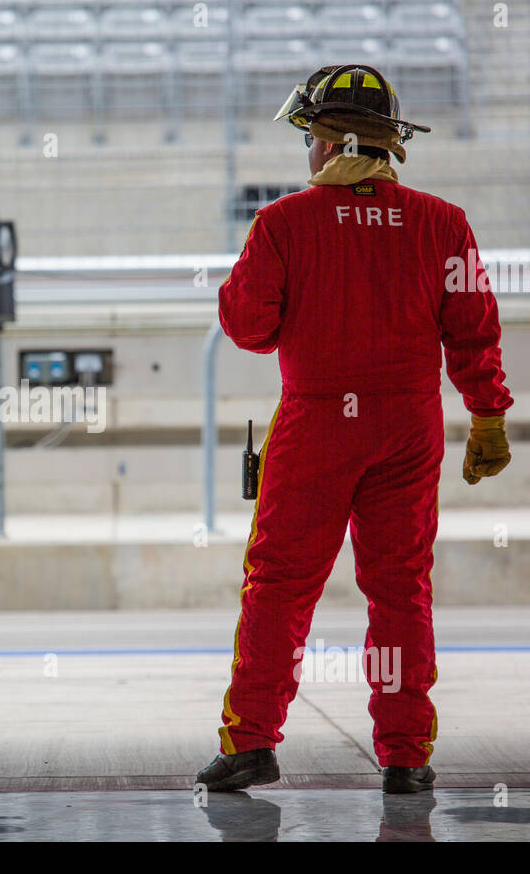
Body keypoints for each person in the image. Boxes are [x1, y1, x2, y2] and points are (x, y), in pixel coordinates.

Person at [196, 65, 513, 795]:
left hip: (316, 423)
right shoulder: (444, 223)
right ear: (389, 142)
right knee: (401, 589)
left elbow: (248, 328)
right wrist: (488, 414)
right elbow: (474, 328)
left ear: (325, 140)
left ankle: (250, 744)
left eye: (308, 136)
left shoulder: (281, 224)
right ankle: (405, 755)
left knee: (278, 585)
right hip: (410, 424)